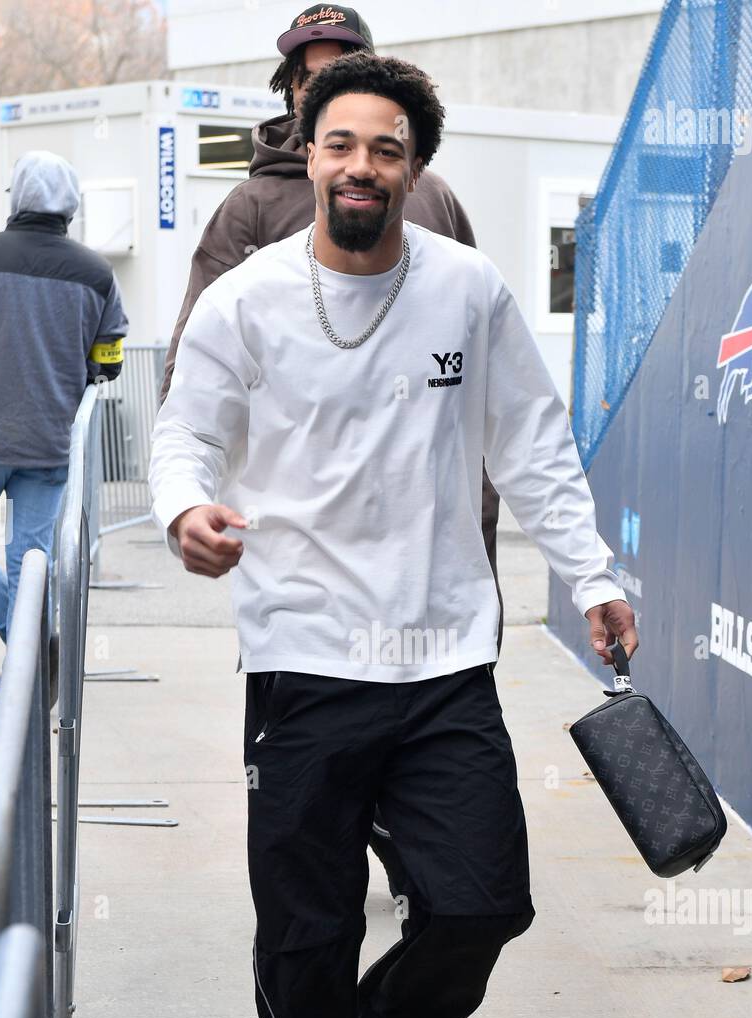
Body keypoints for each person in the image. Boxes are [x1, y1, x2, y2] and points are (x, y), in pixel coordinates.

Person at [148, 52, 638, 1018]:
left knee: (481, 904)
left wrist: (589, 573)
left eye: (386, 149)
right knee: (305, 928)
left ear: (412, 168)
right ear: (306, 153)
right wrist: (182, 512)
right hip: (304, 661)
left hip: (440, 660)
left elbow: (530, 442)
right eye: (340, 143)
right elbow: (182, 435)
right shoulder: (246, 298)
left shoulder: (466, 290)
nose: (361, 166)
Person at [159, 7, 502, 899]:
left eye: (341, 60)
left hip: (432, 579)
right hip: (305, 600)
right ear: (295, 101)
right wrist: (185, 495)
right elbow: (195, 373)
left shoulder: (432, 198)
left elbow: (483, 359)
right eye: (309, 70)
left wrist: (489, 517)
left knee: (466, 881)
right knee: (309, 881)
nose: (323, 76)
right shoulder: (252, 205)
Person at [0, 150, 128, 714]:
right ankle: (28, 658)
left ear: (15, 198)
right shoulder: (95, 272)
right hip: (47, 448)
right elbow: (109, 357)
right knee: (30, 563)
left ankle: (24, 657)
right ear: (70, 204)